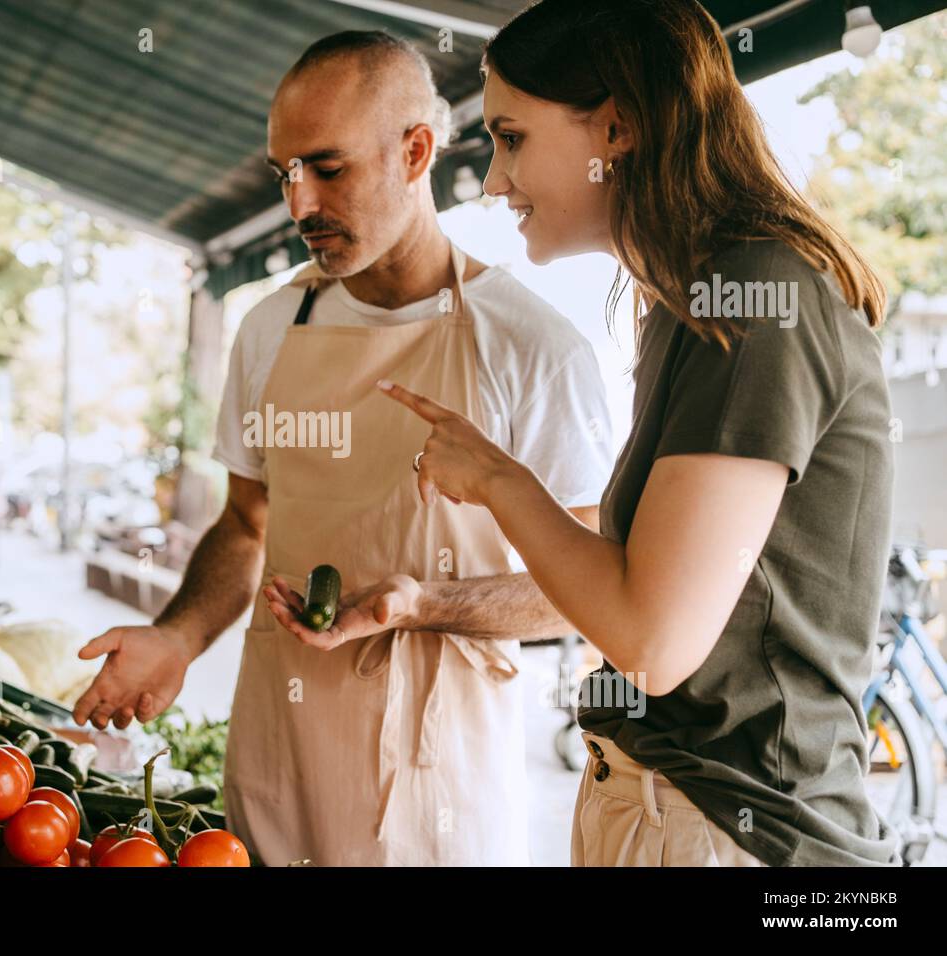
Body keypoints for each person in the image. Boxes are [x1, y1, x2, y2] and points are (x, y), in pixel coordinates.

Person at [369, 0, 899, 866]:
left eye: (511, 137)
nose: (494, 181)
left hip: (734, 830)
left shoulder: (755, 296)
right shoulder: (686, 303)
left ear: (616, 127)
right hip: (666, 805)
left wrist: (501, 481)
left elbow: (651, 640)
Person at [71, 30, 615, 865]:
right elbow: (246, 526)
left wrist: (425, 603)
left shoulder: (533, 347)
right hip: (278, 759)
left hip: (444, 782)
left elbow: (587, 588)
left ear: (416, 151)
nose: (299, 204)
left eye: (328, 168)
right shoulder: (267, 329)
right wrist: (177, 637)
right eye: (284, 173)